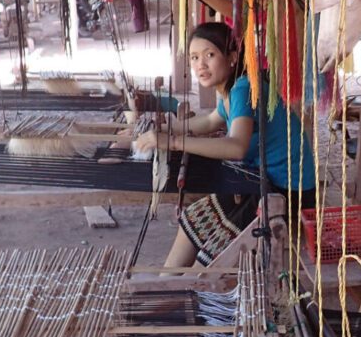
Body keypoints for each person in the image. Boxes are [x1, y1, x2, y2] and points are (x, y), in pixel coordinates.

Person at [133, 21, 316, 267]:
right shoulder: (232, 89)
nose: (201, 65)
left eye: (210, 55)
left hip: (287, 194)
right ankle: (167, 287)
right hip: (261, 182)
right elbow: (209, 122)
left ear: (231, 57)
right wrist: (163, 129)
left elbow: (236, 147)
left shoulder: (243, 89)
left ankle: (187, 292)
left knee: (208, 261)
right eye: (194, 57)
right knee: (193, 219)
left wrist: (174, 142)